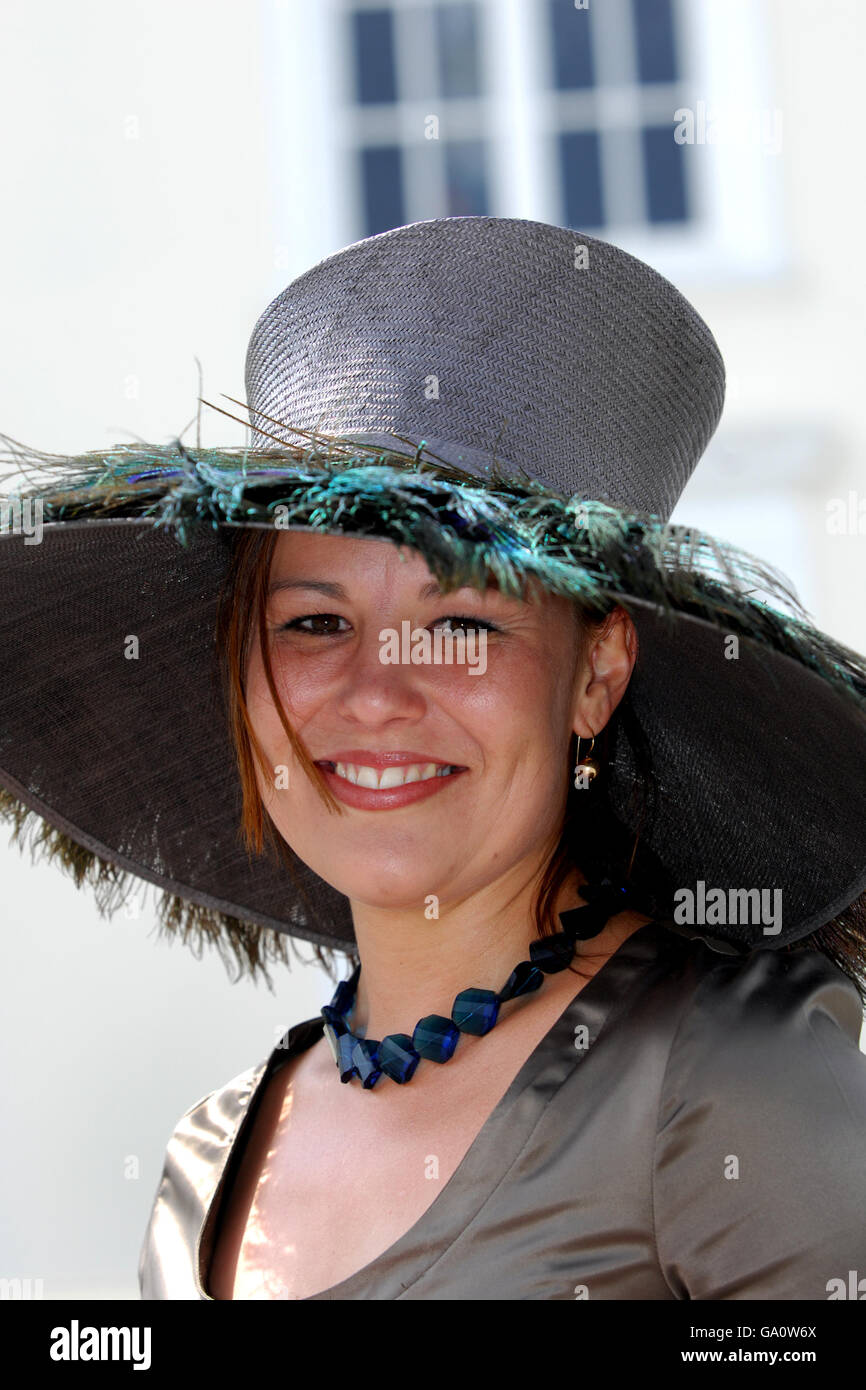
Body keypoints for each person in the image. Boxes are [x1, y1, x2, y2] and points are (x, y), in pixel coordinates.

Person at [1, 216, 865, 1301]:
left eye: (460, 625)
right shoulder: (208, 1164)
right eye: (314, 624)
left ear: (594, 674)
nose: (376, 692)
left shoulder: (730, 1083)